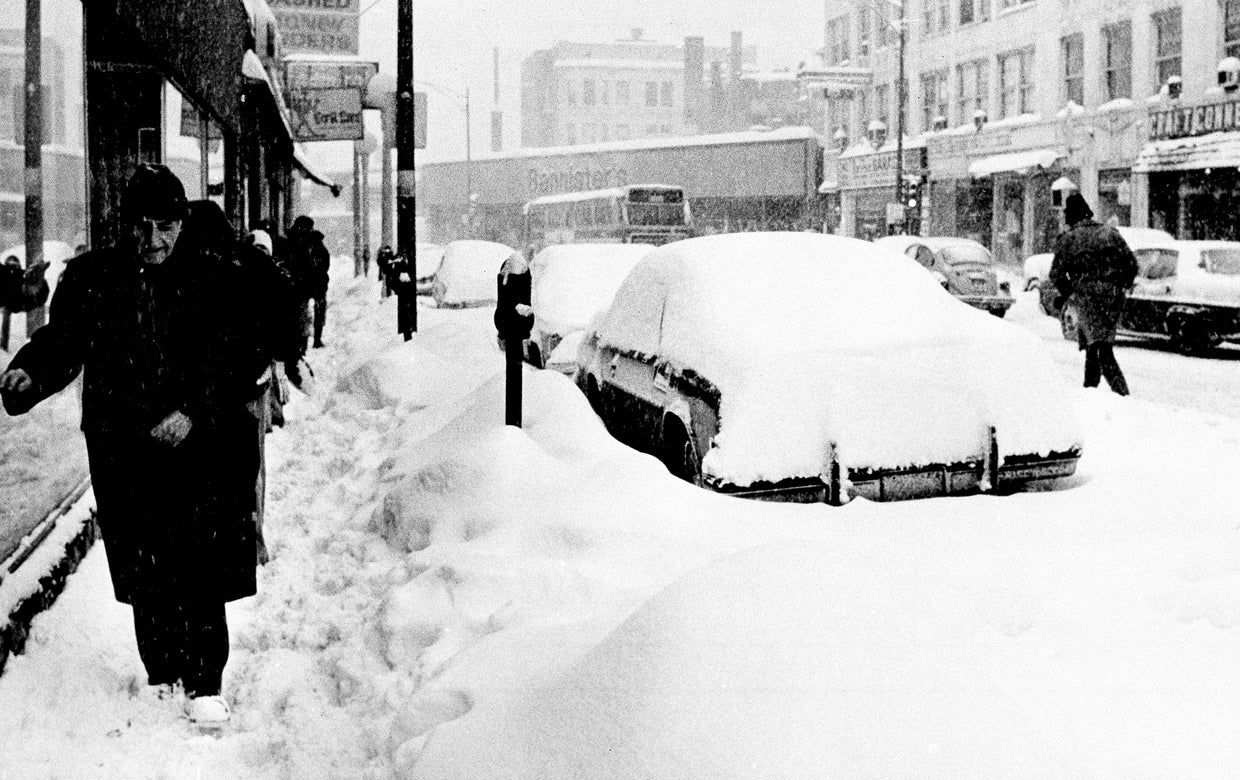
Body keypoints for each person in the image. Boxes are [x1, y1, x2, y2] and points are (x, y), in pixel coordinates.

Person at [0, 164, 262, 728]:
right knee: (146, 563)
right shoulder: (97, 278)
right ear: (125, 225)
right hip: (125, 448)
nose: (153, 240)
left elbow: (242, 358)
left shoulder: (215, 278)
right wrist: (30, 373)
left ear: (183, 222)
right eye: (141, 227)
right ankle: (162, 671)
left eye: (165, 226)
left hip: (198, 447)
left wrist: (194, 410)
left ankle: (205, 681)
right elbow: (65, 340)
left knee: (198, 562)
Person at [1048, 193, 1139, 396]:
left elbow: (1056, 274)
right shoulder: (1110, 233)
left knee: (1100, 347)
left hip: (1086, 297)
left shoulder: (1069, 239)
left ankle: (1121, 394)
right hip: (1112, 297)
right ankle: (1091, 390)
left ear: (1070, 216)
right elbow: (1131, 264)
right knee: (1097, 344)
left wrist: (1069, 292)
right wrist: (1121, 285)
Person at [288, 215, 330, 349]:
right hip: (312, 282)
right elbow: (325, 260)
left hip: (305, 282)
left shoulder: (294, 240)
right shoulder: (314, 241)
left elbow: (324, 260)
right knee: (315, 310)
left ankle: (305, 341)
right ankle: (313, 339)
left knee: (303, 312)